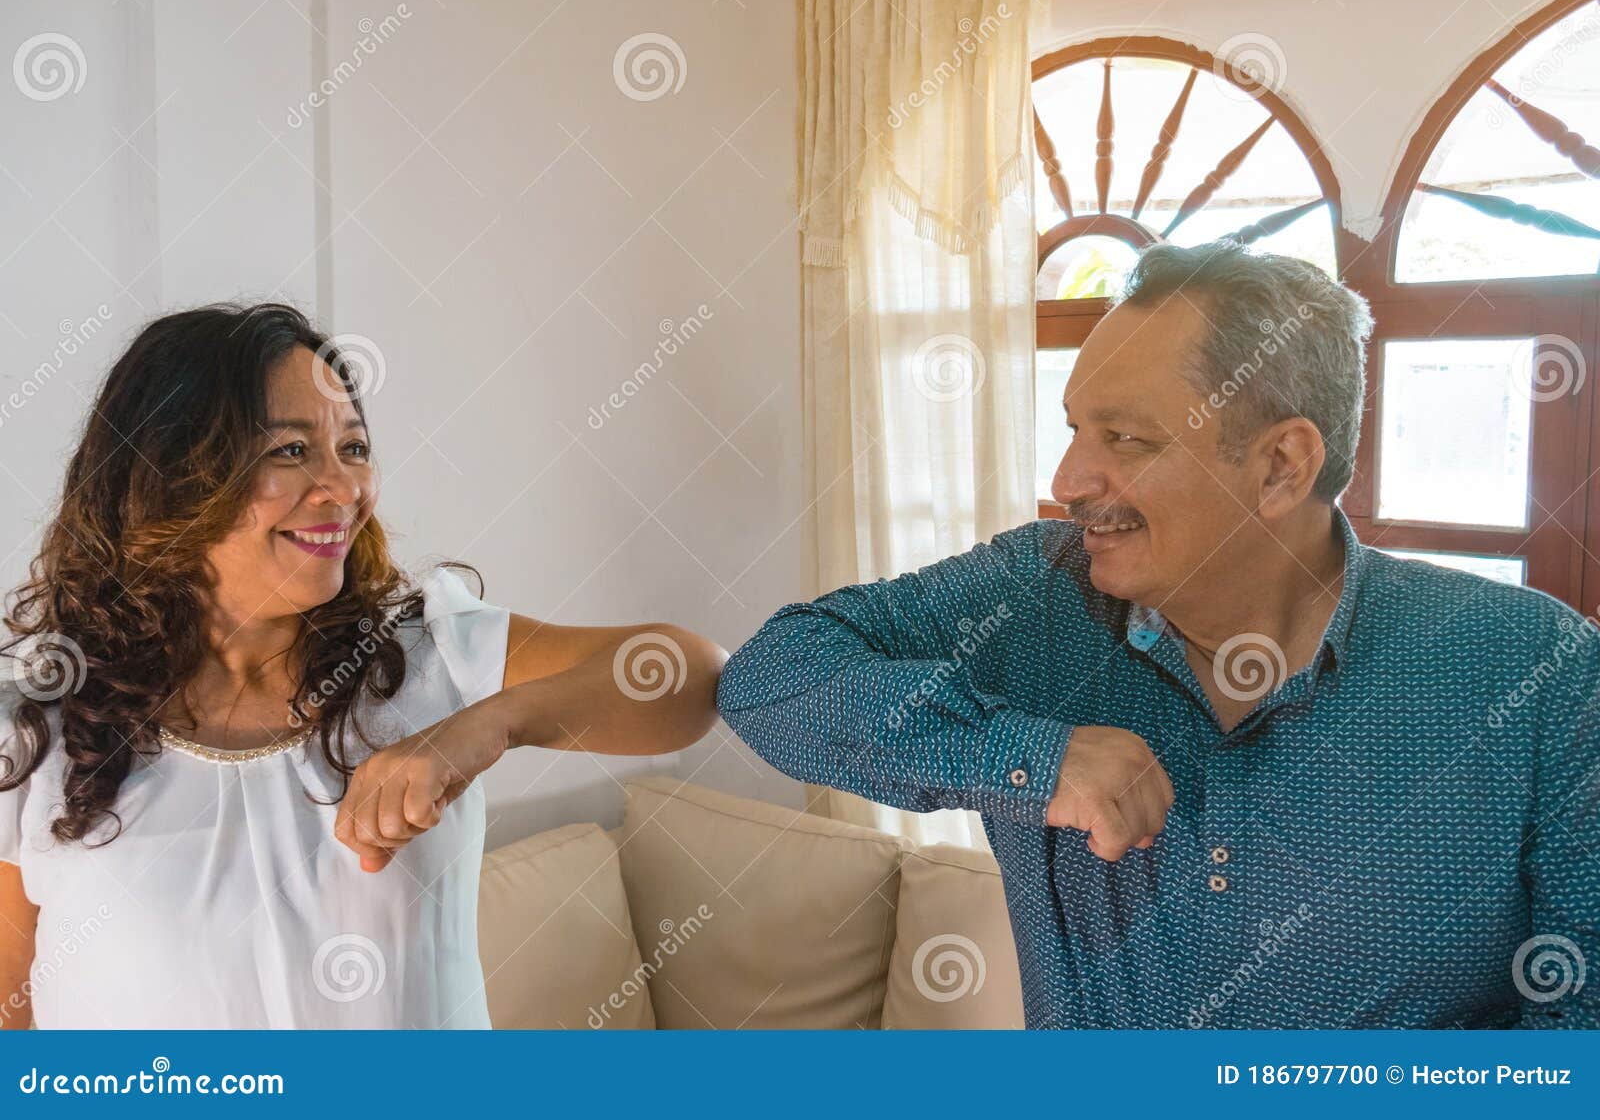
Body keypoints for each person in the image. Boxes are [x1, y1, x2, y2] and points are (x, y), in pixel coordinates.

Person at [718, 240, 1600, 1029]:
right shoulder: (1037, 590)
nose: (1067, 479)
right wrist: (1027, 754)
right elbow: (772, 676)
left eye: (1127, 438)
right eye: (1073, 429)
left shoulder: (1540, 671)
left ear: (1281, 465)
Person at [0, 303, 725, 1029]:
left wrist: (488, 726)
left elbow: (693, 673)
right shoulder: (37, 731)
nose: (344, 489)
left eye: (352, 448)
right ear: (170, 479)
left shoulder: (426, 656)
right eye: (289, 451)